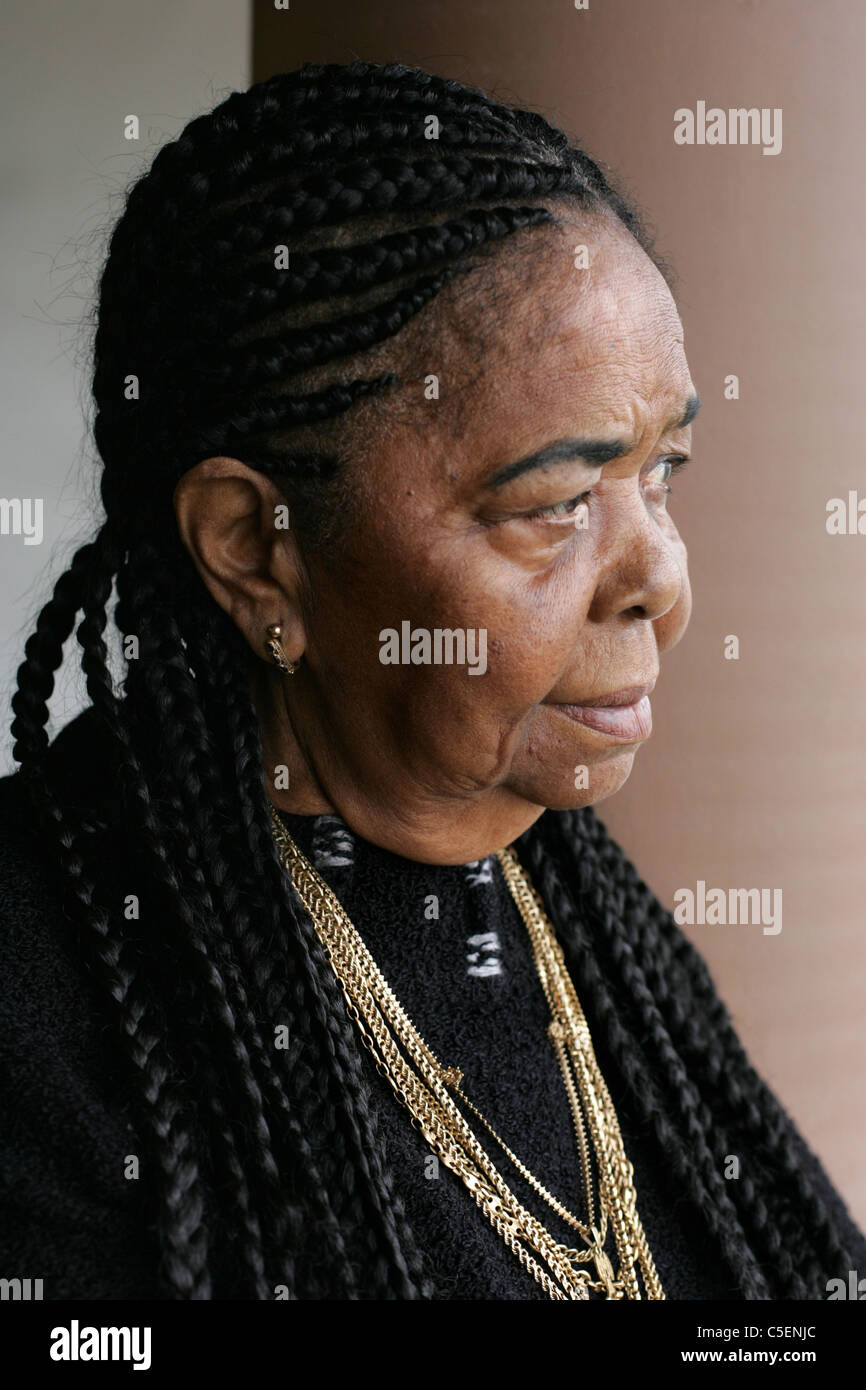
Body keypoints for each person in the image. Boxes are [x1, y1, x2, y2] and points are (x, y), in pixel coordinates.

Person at [2, 60, 863, 1301]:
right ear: (256, 546)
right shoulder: (49, 987)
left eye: (660, 469)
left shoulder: (593, 926)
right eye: (554, 503)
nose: (659, 579)